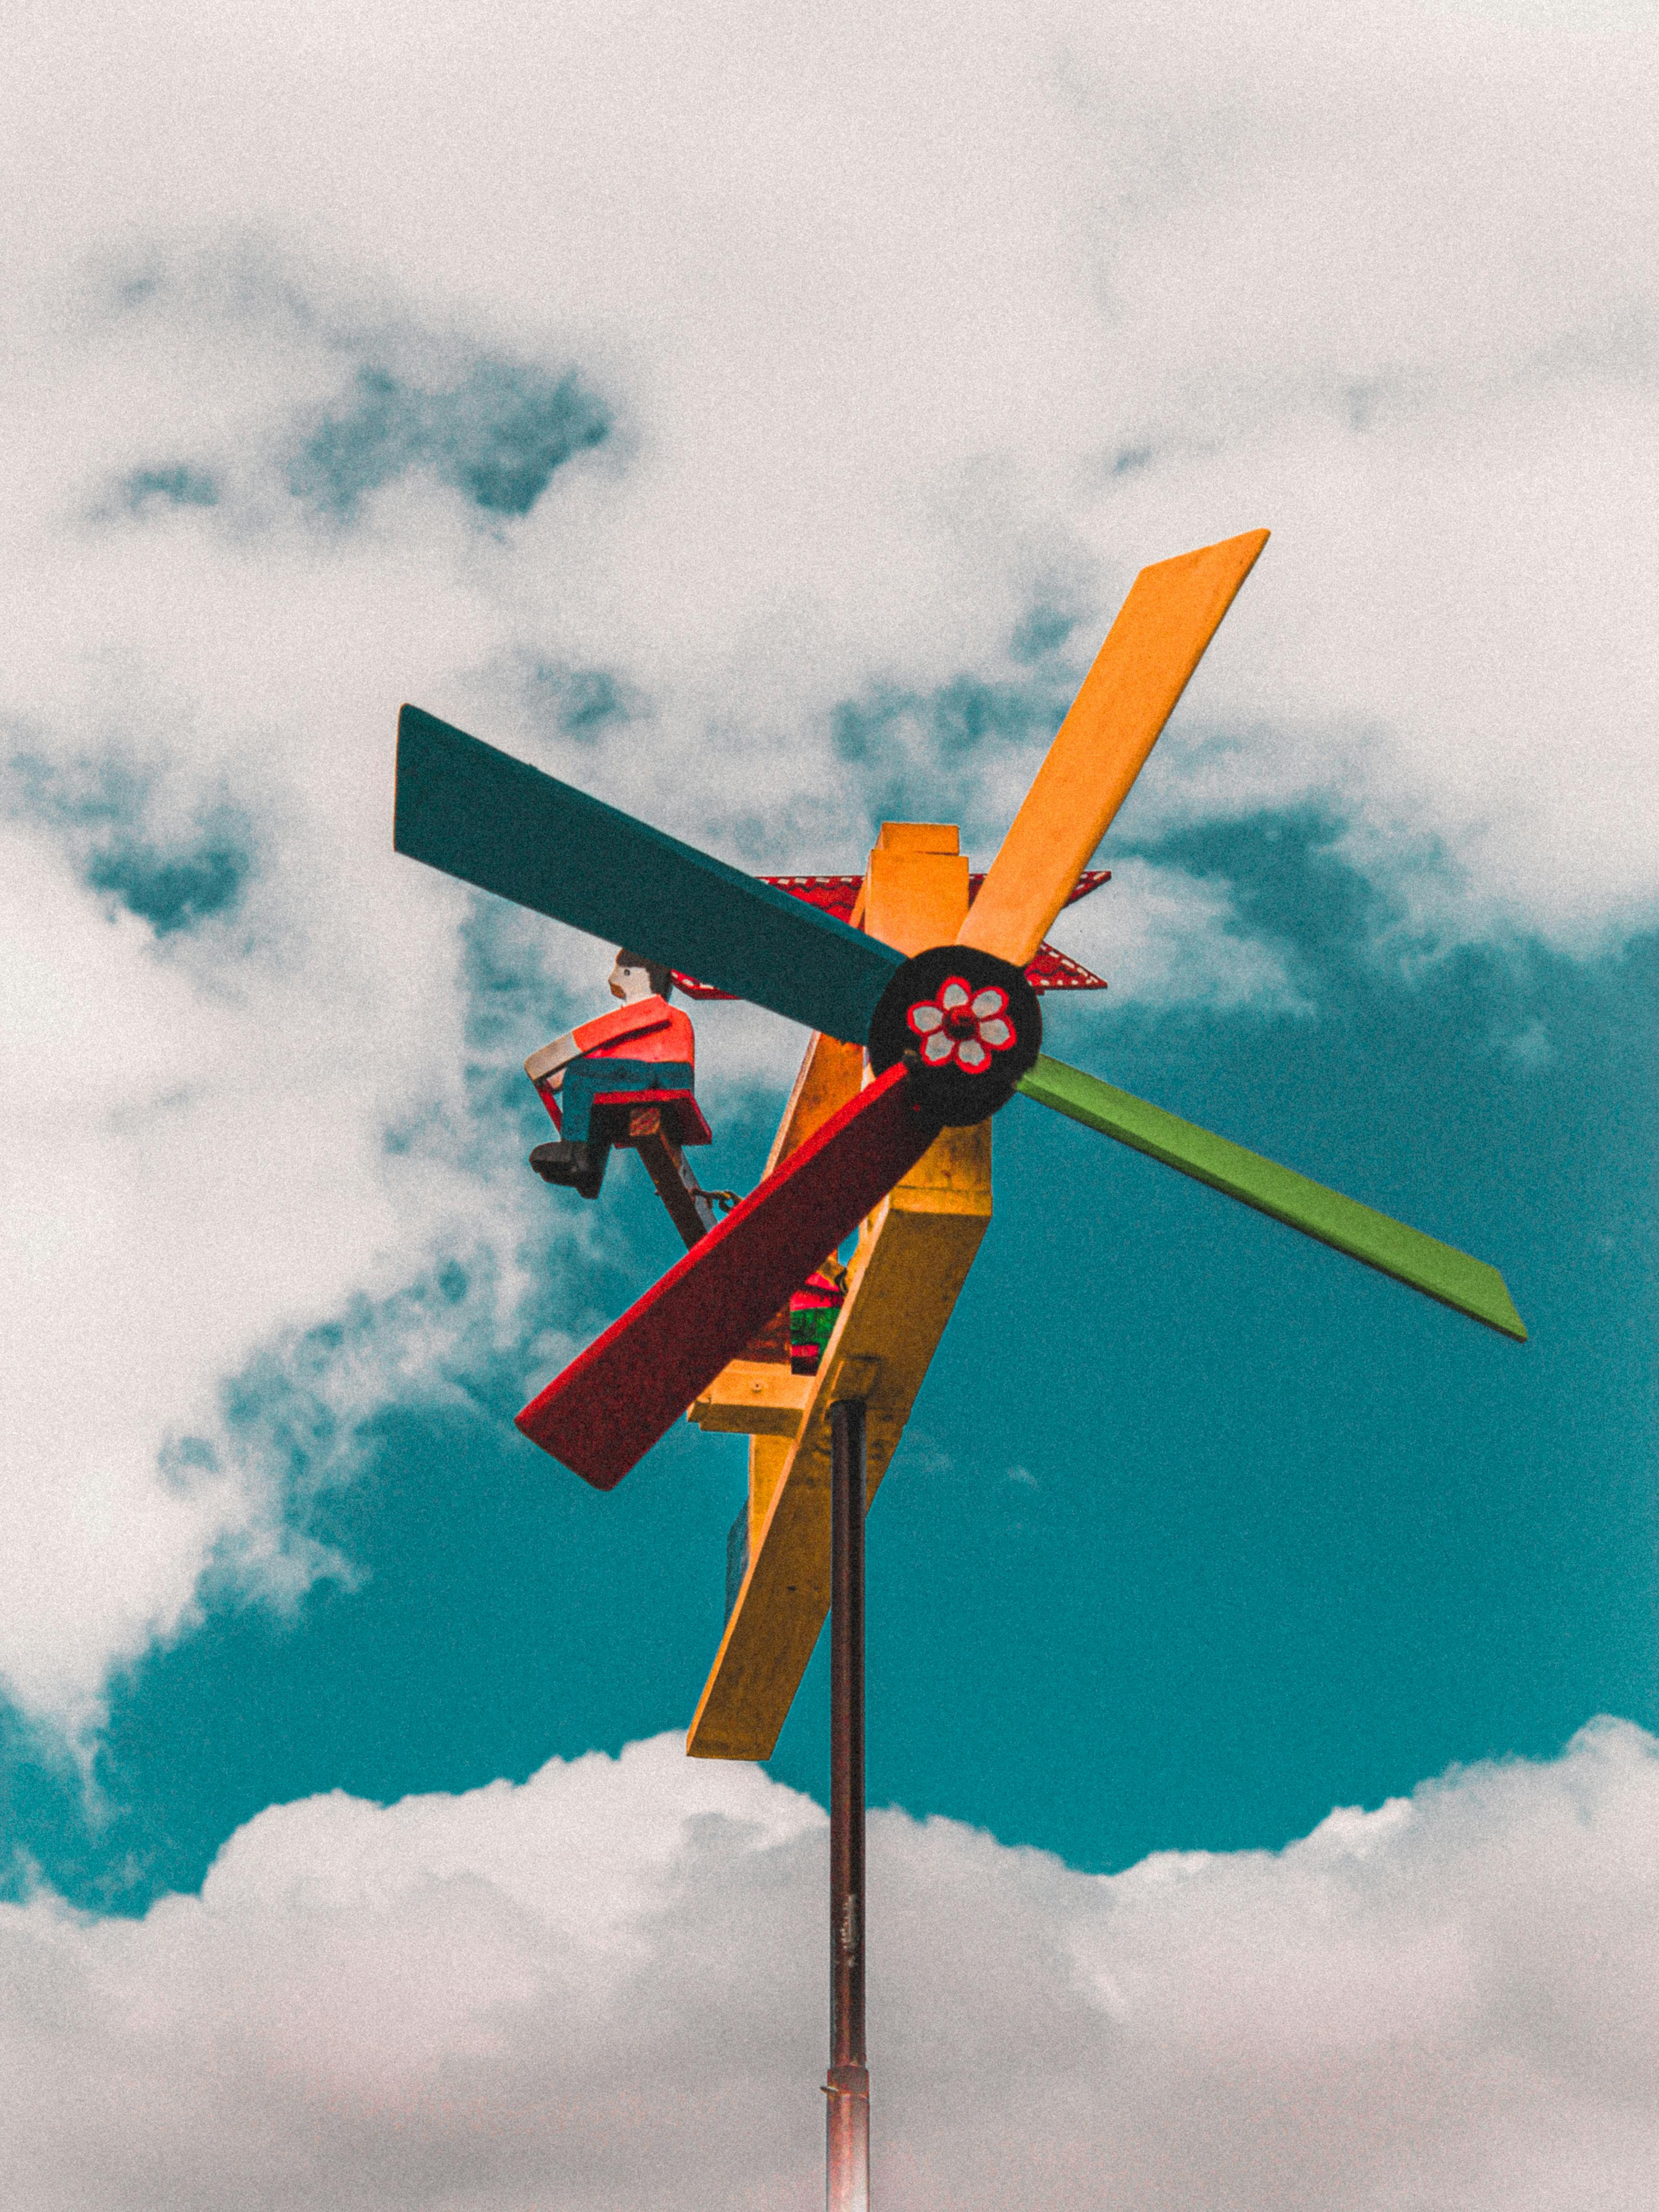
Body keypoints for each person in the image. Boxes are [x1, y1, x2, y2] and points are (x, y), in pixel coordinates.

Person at [526, 950, 696, 1199]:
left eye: (622, 971)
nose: (613, 977)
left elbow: (594, 1037)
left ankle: (574, 1151)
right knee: (596, 1106)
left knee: (581, 1074)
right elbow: (605, 1058)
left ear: (638, 976)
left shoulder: (652, 1009)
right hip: (642, 1075)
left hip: (664, 1075)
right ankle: (588, 1172)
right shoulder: (636, 1020)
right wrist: (559, 1079)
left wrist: (546, 1064)